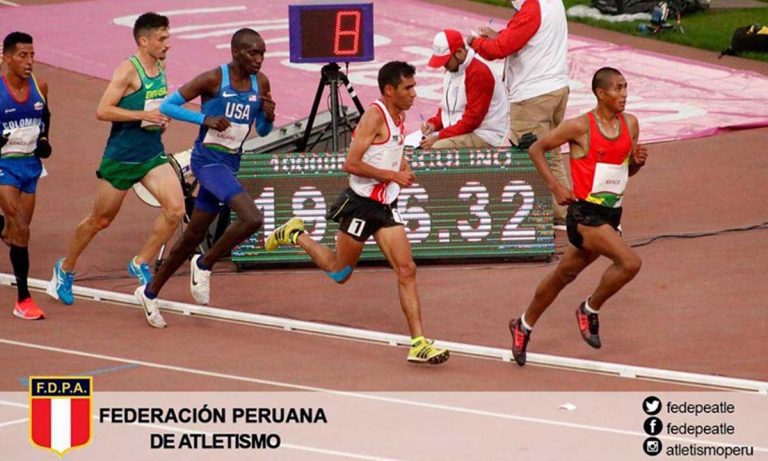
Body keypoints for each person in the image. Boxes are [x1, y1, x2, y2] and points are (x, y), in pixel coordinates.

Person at [265, 61, 450, 365]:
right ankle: (296, 234)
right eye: (408, 87)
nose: (414, 93)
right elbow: (350, 164)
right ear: (389, 91)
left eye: (414, 86)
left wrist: (402, 166)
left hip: (385, 207)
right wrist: (392, 176)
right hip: (361, 205)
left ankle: (418, 343)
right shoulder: (373, 116)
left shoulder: (398, 115)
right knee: (340, 273)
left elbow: (392, 149)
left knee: (407, 270)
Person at [134, 28, 274, 328]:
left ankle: (149, 292)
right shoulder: (213, 78)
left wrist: (269, 116)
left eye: (262, 53)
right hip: (208, 161)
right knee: (252, 218)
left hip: (231, 161)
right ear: (236, 52)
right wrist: (204, 119)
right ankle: (205, 262)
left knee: (193, 236)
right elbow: (168, 106)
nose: (259, 59)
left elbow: (262, 131)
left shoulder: (260, 82)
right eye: (253, 53)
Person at [508, 67, 648, 366]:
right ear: (601, 93)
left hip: (611, 215)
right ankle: (589, 308)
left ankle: (523, 325)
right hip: (585, 215)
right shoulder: (580, 127)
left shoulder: (631, 124)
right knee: (630, 262)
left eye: (625, 88)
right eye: (617, 89)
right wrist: (555, 185)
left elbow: (626, 171)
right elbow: (536, 148)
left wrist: (637, 163)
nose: (624, 94)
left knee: (563, 275)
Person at [48, 12, 184, 306]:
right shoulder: (127, 71)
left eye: (168, 37)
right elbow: (103, 110)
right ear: (143, 40)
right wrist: (141, 115)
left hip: (151, 155)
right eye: (162, 39)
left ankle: (140, 261)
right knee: (101, 220)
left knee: (175, 210)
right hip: (121, 159)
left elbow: (155, 104)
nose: (167, 44)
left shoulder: (161, 65)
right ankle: (66, 267)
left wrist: (160, 118)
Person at [468, 0, 571, 229]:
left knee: (531, 158)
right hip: (556, 88)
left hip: (532, 97)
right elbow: (525, 36)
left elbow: (499, 50)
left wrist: (476, 42)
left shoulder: (531, 7)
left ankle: (536, 221)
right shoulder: (550, 2)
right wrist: (498, 35)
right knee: (551, 155)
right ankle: (563, 213)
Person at [0, 32, 51, 320]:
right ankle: (24, 299)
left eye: (32, 55)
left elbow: (46, 118)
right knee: (20, 228)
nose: (29, 61)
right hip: (4, 164)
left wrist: (44, 139)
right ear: (7, 57)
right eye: (22, 55)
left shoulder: (40, 86)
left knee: (14, 235)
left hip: (30, 166)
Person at [420, 29, 508, 150]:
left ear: (460, 52)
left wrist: (440, 136)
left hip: (484, 135)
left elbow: (472, 120)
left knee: (436, 148)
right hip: (463, 131)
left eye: (445, 61)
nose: (443, 65)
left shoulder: (478, 72)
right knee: (417, 145)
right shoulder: (453, 69)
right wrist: (433, 124)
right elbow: (448, 108)